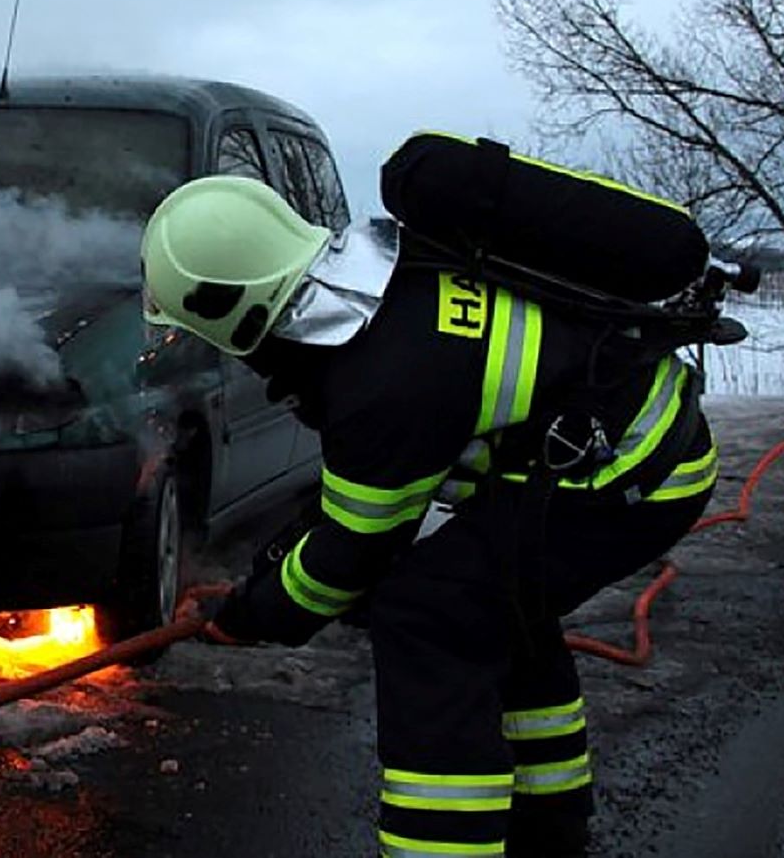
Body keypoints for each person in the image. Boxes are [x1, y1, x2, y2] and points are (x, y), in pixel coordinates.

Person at [142, 176, 717, 858]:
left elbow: (349, 556)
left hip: (630, 472)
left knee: (429, 610)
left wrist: (249, 616)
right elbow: (355, 509)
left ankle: (444, 846)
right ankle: (549, 821)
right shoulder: (388, 277)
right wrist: (267, 576)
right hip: (626, 444)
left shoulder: (377, 379)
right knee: (495, 601)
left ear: (234, 313)